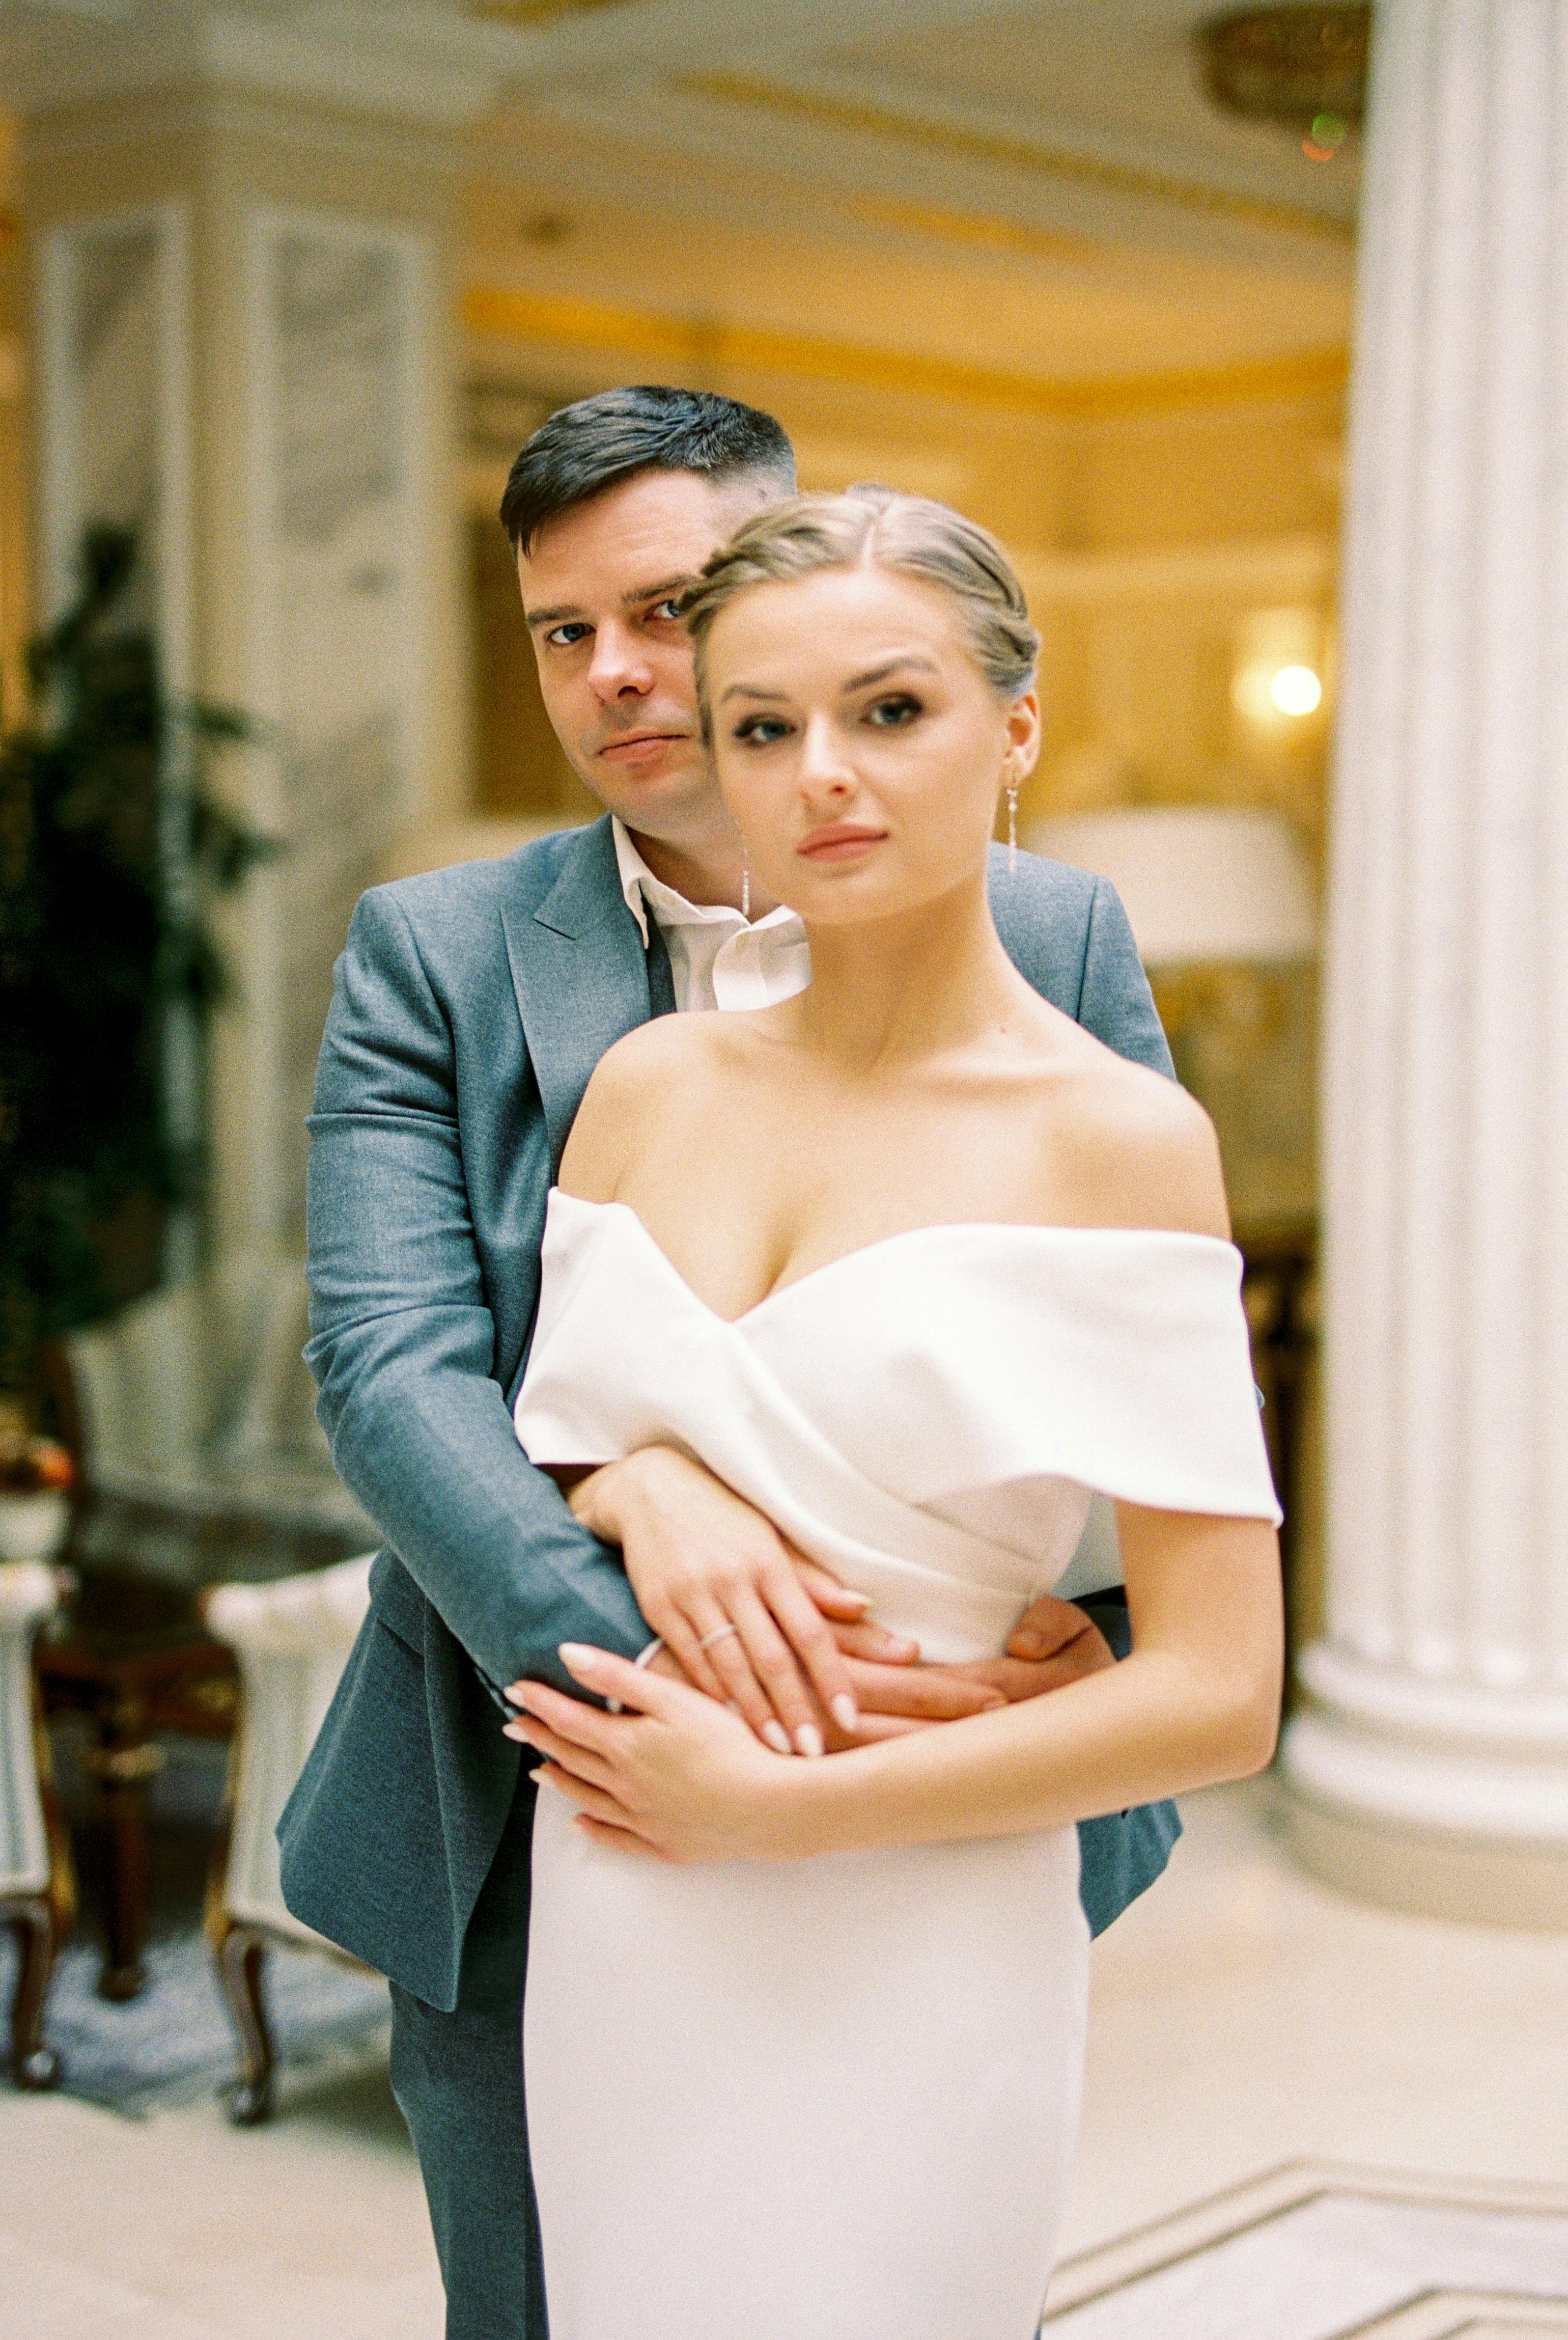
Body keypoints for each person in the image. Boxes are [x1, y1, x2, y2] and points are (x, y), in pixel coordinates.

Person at [279, 388, 1183, 2340]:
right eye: (557, 630)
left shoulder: (1056, 929)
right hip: (555, 1793)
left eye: (667, 607)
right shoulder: (433, 953)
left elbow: (1135, 1344)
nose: (612, 673)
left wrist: (1106, 1609)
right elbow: (390, 1363)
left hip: (949, 1798)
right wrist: (649, 1627)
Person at [505, 485, 1283, 2338]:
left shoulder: (1118, 1141)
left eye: (891, 710)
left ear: (1013, 731)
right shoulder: (648, 1085)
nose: (822, 776)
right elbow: (571, 1431)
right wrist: (644, 1482)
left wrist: (785, 1815)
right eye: (764, 728)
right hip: (624, 1898)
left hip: (917, 1905)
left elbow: (1219, 1692)